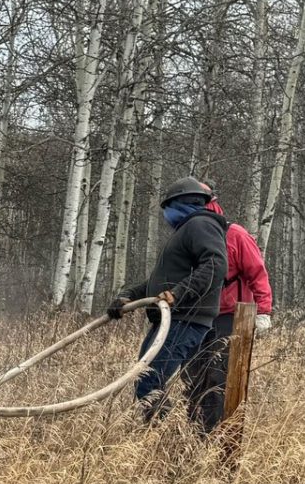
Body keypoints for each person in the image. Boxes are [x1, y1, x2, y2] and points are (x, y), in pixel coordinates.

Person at [108, 176, 228, 423]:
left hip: (185, 319)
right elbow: (158, 284)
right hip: (176, 318)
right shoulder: (185, 231)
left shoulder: (200, 224)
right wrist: (128, 296)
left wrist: (179, 293)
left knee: (149, 381)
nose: (167, 214)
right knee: (189, 384)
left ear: (181, 203)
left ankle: (159, 442)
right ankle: (188, 439)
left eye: (169, 208)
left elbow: (216, 265)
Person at [186, 184, 275, 432]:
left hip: (230, 317)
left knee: (220, 376)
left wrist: (264, 310)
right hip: (196, 317)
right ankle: (195, 433)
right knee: (193, 376)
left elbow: (257, 272)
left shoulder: (235, 235)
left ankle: (220, 433)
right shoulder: (188, 234)